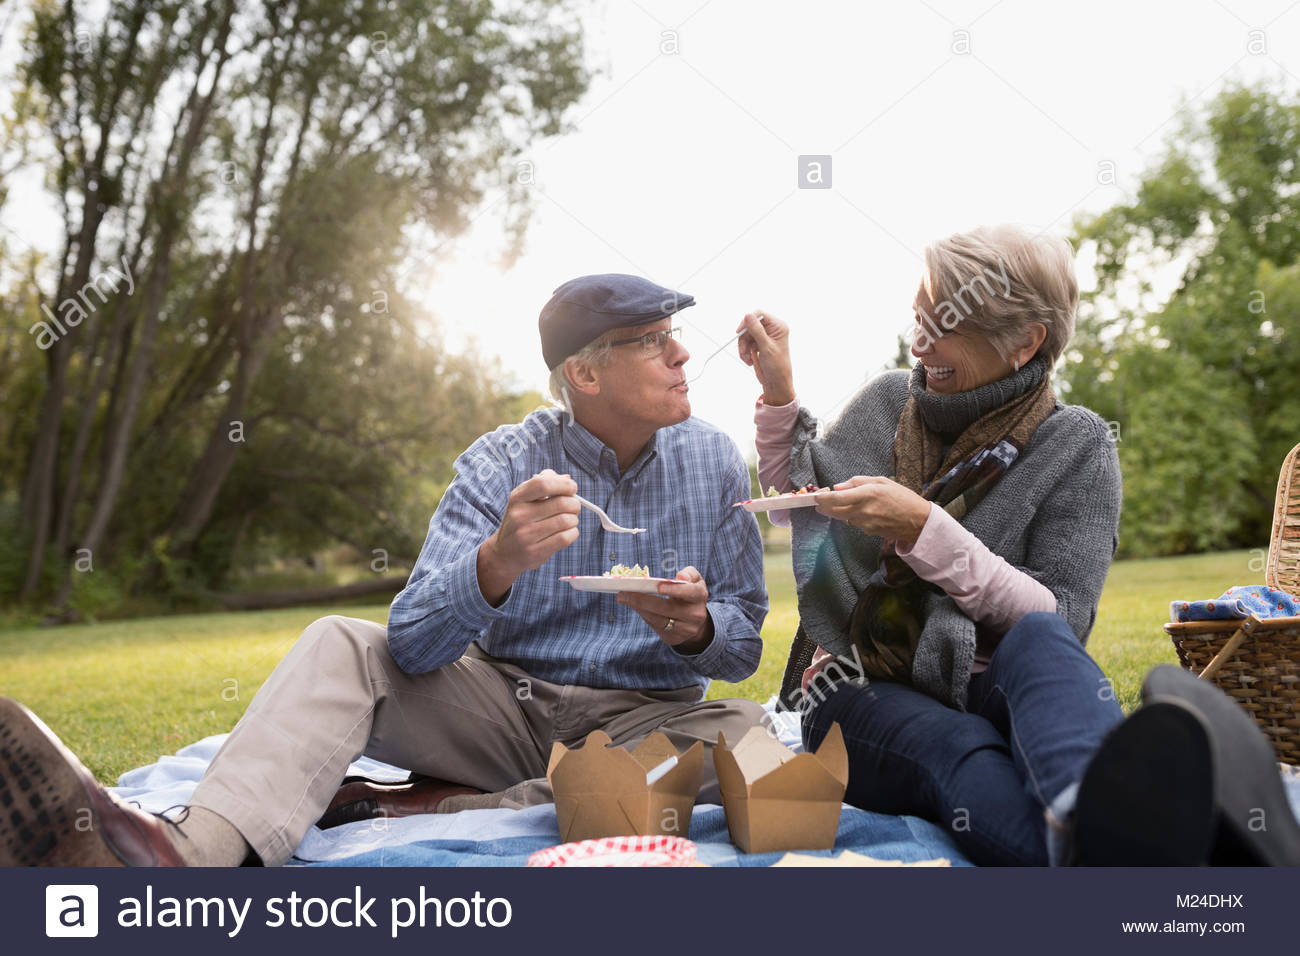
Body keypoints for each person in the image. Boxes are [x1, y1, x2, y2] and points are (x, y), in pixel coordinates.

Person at [1, 274, 768, 867]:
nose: (679, 354)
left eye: (675, 334)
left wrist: (700, 627)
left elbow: (743, 651)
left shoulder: (716, 460)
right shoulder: (500, 462)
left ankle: (439, 809)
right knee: (341, 642)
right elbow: (411, 642)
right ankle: (188, 850)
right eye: (651, 339)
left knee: (754, 734)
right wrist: (494, 563)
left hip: (645, 719)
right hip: (506, 707)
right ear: (586, 375)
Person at [738, 224, 1300, 865]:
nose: (919, 343)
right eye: (918, 320)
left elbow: (1061, 619)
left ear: (1025, 341)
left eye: (943, 326)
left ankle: (1093, 820)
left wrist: (924, 529)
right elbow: (803, 499)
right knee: (958, 746)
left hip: (992, 672)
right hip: (858, 681)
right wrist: (780, 393)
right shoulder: (891, 400)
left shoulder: (1078, 444)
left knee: (1040, 642)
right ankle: (1151, 851)